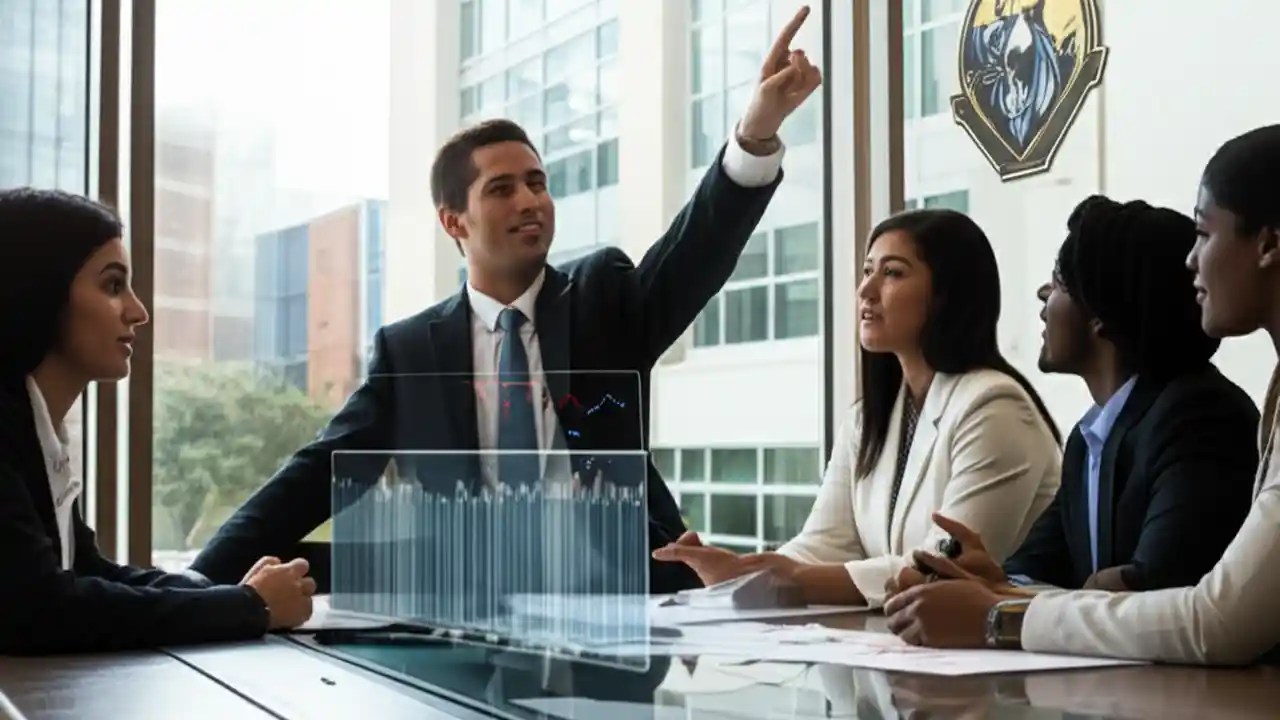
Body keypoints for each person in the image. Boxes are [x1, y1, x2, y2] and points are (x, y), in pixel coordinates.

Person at [190, 8, 824, 595]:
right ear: (453, 222)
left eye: (537, 182)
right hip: (470, 602)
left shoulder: (602, 297)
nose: (530, 200)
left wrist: (757, 129)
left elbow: (696, 252)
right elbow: (314, 476)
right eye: (501, 188)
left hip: (621, 598)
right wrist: (194, 592)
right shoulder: (410, 350)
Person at [883, 124, 1280, 666]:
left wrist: (996, 614)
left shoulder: (1199, 415)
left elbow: (1207, 618)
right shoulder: (1089, 434)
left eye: (1205, 234)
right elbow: (1101, 593)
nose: (1192, 261)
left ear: (1269, 244)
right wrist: (997, 590)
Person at [653, 209, 1063, 609]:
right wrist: (744, 571)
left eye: (893, 273)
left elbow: (943, 569)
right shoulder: (869, 418)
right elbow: (827, 542)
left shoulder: (994, 407)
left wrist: (786, 577)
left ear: (945, 296)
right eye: (868, 271)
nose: (867, 290)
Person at [0, 189, 315, 654]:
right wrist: (250, 607)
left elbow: (88, 571)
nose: (138, 311)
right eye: (112, 285)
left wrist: (229, 597)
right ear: (41, 290)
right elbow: (42, 607)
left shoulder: (39, 430)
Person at [1001, 195, 1258, 593]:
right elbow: (1033, 569)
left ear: (1100, 313)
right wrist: (979, 578)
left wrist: (1003, 599)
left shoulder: (1200, 416)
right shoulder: (1088, 439)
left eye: (1059, 281)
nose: (1042, 294)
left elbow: (1157, 584)